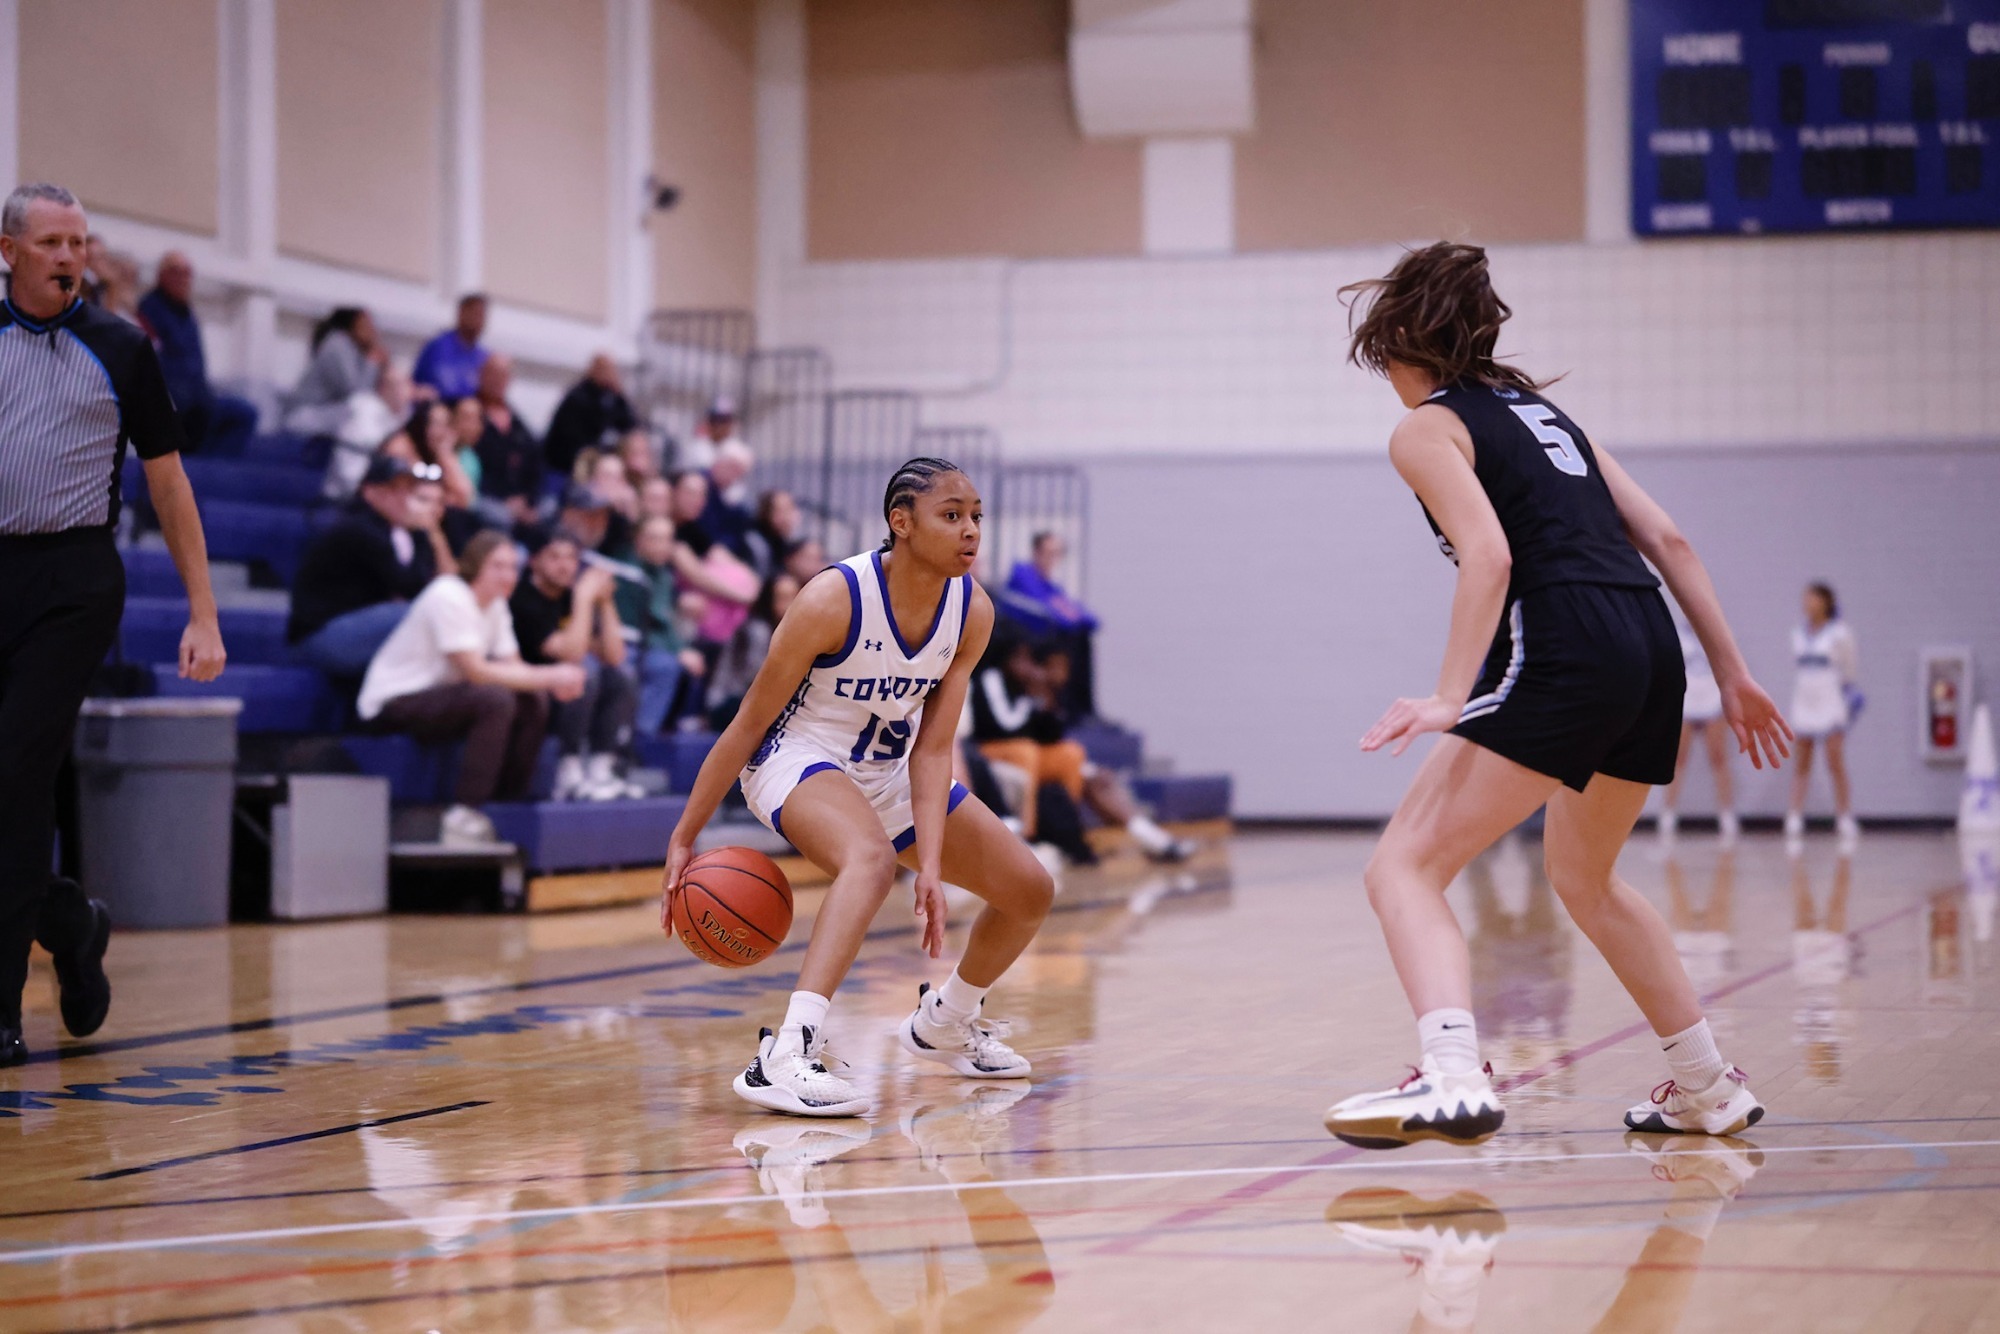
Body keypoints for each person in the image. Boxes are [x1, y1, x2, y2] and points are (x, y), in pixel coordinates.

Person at [1320, 243, 1792, 1149]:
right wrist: (1730, 672)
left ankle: (1452, 1072)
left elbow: (1490, 557)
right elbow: (1669, 537)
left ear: (1403, 343)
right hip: (1652, 644)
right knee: (1586, 877)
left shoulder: (1426, 426)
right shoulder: (1549, 415)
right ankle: (1705, 1085)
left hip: (1565, 636)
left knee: (1402, 868)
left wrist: (1451, 696)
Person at [661, 457, 1055, 1118]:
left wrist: (931, 867)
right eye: (951, 515)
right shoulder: (832, 599)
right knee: (869, 861)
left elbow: (933, 752)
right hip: (796, 758)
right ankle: (785, 1055)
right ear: (901, 522)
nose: (970, 532)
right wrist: (683, 835)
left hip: (889, 771)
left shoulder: (970, 612)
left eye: (976, 517)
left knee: (1028, 890)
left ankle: (945, 1021)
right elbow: (746, 724)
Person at [0, 183, 227, 1067]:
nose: (69, 257)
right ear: (9, 250)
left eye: (80, 242)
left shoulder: (122, 347)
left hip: (74, 583)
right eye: (52, 241)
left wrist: (203, 612)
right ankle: (69, 920)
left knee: (16, 774)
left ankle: (5, 1009)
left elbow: (169, 485)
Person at [358, 531, 585, 847]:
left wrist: (551, 682)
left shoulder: (496, 605)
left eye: (512, 567)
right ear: (475, 565)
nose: (508, 575)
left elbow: (515, 669)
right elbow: (475, 671)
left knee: (532, 699)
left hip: (444, 700)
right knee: (495, 698)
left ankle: (506, 807)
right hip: (394, 700)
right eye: (498, 566)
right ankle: (465, 815)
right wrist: (551, 675)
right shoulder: (448, 594)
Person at [970, 630, 1193, 863]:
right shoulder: (990, 678)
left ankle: (1070, 830)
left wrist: (1044, 699)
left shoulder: (1032, 686)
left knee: (1072, 755)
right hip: (988, 751)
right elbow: (1004, 727)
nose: (1026, 667)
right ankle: (1025, 838)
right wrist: (1032, 702)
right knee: (1024, 751)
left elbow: (1051, 736)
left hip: (1025, 754)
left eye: (1029, 659)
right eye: (1020, 659)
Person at [287, 454, 452, 676]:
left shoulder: (402, 532)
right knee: (417, 613)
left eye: (408, 490)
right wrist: (428, 533)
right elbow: (413, 588)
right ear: (370, 492)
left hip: (361, 629)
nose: (405, 499)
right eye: (395, 489)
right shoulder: (358, 529)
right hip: (321, 636)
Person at [511, 529, 642, 801]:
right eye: (554, 557)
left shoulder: (571, 596)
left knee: (621, 677)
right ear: (534, 561)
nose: (564, 565)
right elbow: (571, 654)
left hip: (569, 692)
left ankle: (600, 768)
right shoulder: (523, 598)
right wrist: (584, 597)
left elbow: (615, 657)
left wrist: (605, 602)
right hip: (530, 689)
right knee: (584, 672)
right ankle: (567, 772)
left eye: (571, 558)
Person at [136, 250, 258, 454]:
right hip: (173, 400)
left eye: (187, 272)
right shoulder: (149, 311)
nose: (183, 278)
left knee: (245, 414)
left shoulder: (188, 314)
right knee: (198, 413)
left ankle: (211, 473)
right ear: (161, 276)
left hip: (199, 397)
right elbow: (152, 365)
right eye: (176, 271)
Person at [613, 515, 709, 735]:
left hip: (648, 644)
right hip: (624, 643)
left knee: (682, 661)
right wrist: (679, 651)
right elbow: (641, 625)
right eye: (654, 538)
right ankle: (627, 737)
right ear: (638, 539)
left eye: (667, 540)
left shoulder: (664, 576)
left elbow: (662, 622)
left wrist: (682, 650)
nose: (661, 546)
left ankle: (650, 735)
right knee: (660, 666)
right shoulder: (627, 572)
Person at [1786, 581, 1860, 854]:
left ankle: (1844, 817)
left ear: (1826, 602)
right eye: (1805, 598)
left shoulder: (1840, 633)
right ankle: (1794, 816)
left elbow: (1850, 670)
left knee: (1835, 761)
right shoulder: (1797, 633)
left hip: (1830, 701)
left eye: (1813, 598)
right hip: (1805, 700)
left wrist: (1847, 699)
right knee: (1801, 763)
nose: (1807, 603)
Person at [1659, 610, 1737, 843]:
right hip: (1687, 702)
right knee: (1678, 760)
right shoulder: (1676, 634)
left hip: (1713, 701)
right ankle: (1668, 814)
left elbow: (1728, 668)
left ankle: (1726, 815)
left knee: (1718, 758)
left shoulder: (1717, 632)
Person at [1003, 532, 1099, 718]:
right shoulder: (1024, 575)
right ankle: (1073, 709)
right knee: (1072, 639)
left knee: (1081, 636)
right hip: (1025, 637)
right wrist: (1071, 617)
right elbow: (1051, 613)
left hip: (1049, 636)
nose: (1052, 559)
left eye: (1057, 554)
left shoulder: (1051, 585)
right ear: (1036, 552)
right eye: (1049, 553)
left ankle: (1082, 708)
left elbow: (1087, 618)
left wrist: (1073, 617)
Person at [705, 571, 799, 730]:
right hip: (729, 702)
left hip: (756, 702)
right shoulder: (756, 631)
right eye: (783, 598)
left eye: (794, 597)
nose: (789, 605)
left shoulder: (793, 630)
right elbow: (758, 678)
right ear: (768, 600)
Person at [283, 307, 385, 438]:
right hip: (303, 415)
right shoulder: (337, 344)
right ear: (352, 325)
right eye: (366, 324)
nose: (372, 331)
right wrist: (372, 362)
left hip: (322, 413)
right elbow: (356, 394)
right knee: (361, 412)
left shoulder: (354, 351)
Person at [473, 354, 545, 533]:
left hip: (519, 503)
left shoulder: (518, 424)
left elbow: (535, 466)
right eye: (493, 374)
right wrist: (504, 502)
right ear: (481, 374)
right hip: (483, 500)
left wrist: (527, 500)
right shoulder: (469, 413)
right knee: (499, 516)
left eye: (503, 375)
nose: (497, 380)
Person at [544, 354, 636, 476]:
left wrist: (620, 394)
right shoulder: (578, 397)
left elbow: (629, 425)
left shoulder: (612, 398)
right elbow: (572, 437)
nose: (608, 375)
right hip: (564, 463)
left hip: (593, 462)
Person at [413, 293, 489, 402]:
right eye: (475, 314)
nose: (478, 321)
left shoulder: (484, 359)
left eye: (482, 316)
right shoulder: (437, 347)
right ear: (461, 313)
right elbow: (416, 383)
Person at [679, 395, 744, 471]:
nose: (720, 426)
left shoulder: (739, 450)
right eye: (716, 420)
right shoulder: (696, 448)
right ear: (709, 422)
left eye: (725, 421)